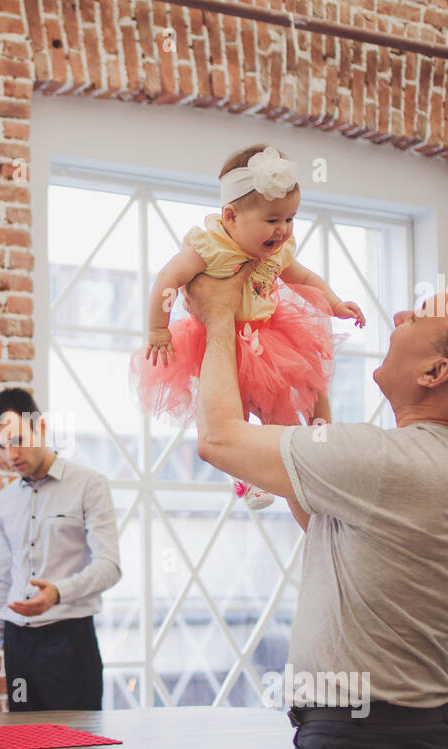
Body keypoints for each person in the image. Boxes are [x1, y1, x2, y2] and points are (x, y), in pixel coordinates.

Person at [188, 263, 448, 749]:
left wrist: (218, 316)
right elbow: (328, 523)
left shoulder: (390, 463)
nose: (401, 316)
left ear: (435, 372)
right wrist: (301, 388)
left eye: (420, 315)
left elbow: (217, 438)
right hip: (424, 744)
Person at [130, 143, 365, 508]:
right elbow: (168, 279)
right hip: (217, 343)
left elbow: (302, 276)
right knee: (228, 414)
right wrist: (158, 328)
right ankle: (246, 477)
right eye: (272, 221)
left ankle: (303, 454)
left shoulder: (278, 251)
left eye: (290, 219)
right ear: (230, 216)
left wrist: (334, 302)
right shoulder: (209, 247)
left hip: (268, 337)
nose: (283, 231)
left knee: (284, 407)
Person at [0, 387, 122, 749]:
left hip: (71, 643)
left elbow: (111, 566)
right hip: (21, 647)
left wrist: (59, 591)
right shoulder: (3, 502)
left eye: (16, 440)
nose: (9, 454)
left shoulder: (88, 484)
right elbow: (0, 581)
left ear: (41, 426)